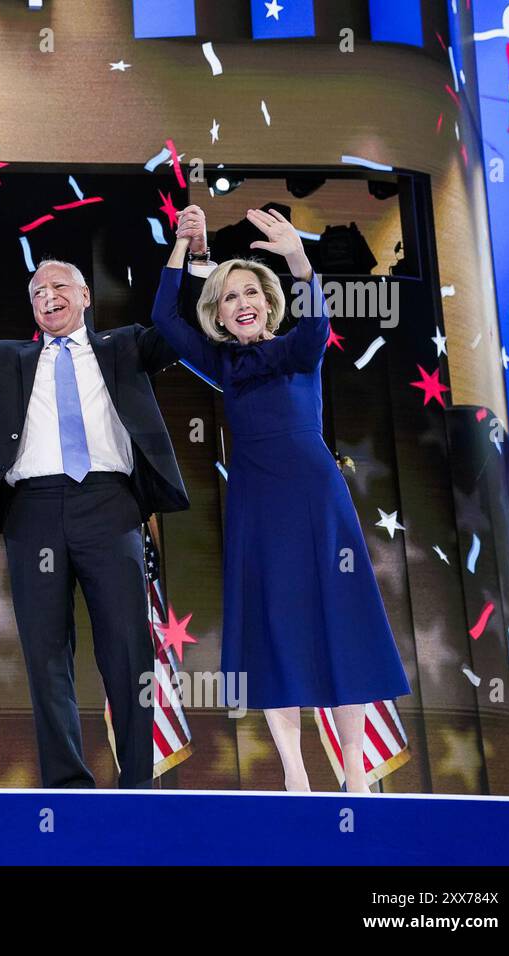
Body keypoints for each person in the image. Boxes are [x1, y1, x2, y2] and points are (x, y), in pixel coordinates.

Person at [0, 245, 205, 789]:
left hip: (110, 505)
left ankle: (138, 784)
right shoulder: (9, 357)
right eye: (38, 293)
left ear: (86, 297)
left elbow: (180, 329)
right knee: (47, 652)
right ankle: (67, 785)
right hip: (34, 512)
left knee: (127, 648)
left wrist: (194, 260)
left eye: (59, 288)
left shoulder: (124, 346)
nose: (48, 298)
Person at [153, 204, 411, 793]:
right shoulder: (222, 363)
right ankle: (295, 773)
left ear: (268, 302)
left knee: (339, 622)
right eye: (227, 297)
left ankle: (353, 769)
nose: (241, 302)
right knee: (272, 628)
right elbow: (164, 316)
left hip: (318, 500)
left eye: (250, 292)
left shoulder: (300, 347)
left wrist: (298, 256)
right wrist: (182, 242)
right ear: (218, 315)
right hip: (257, 505)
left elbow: (318, 320)